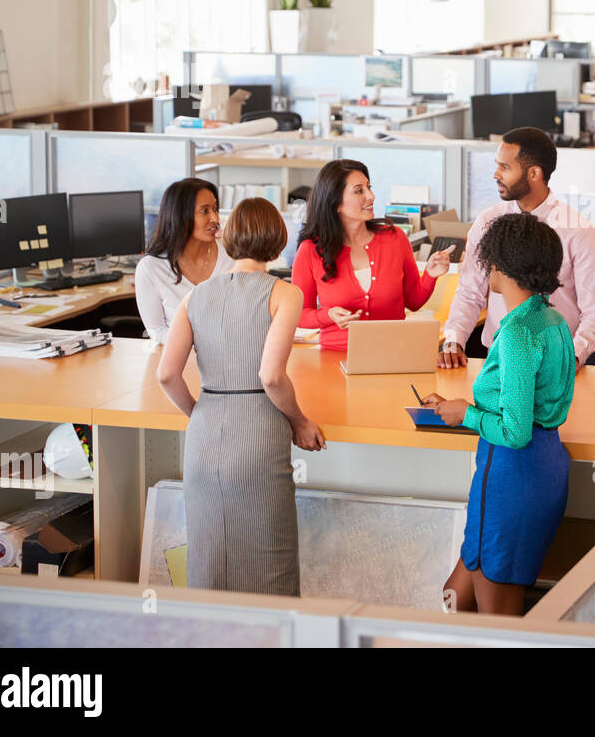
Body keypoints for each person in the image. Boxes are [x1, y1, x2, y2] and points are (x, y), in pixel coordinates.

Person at [156, 197, 327, 597]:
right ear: (276, 240)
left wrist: (199, 413)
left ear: (230, 238)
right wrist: (300, 421)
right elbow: (271, 376)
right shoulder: (284, 294)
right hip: (259, 431)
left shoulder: (194, 296)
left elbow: (167, 374)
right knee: (270, 563)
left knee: (209, 561)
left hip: (204, 433)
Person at [422, 212, 575, 615]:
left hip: (514, 474)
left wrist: (466, 415)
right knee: (455, 599)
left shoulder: (518, 333)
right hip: (534, 468)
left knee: (498, 619)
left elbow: (515, 430)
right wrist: (457, 408)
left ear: (500, 265)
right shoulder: (552, 319)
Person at [439, 127, 595, 369]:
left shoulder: (577, 230)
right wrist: (454, 341)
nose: (495, 174)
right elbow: (469, 292)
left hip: (556, 362)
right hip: (499, 359)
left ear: (534, 173)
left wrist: (571, 358)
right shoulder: (488, 222)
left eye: (505, 167)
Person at [292, 159, 452, 351]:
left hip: (393, 354)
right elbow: (300, 315)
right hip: (336, 359)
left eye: (369, 187)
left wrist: (430, 275)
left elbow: (413, 302)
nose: (371, 196)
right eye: (359, 191)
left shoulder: (394, 238)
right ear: (335, 203)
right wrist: (328, 315)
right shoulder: (310, 250)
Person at [135, 178, 234, 345]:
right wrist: (202, 345)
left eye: (215, 209)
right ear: (180, 216)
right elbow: (157, 331)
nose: (215, 218)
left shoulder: (231, 257)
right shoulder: (150, 268)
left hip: (228, 360)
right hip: (178, 362)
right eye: (204, 211)